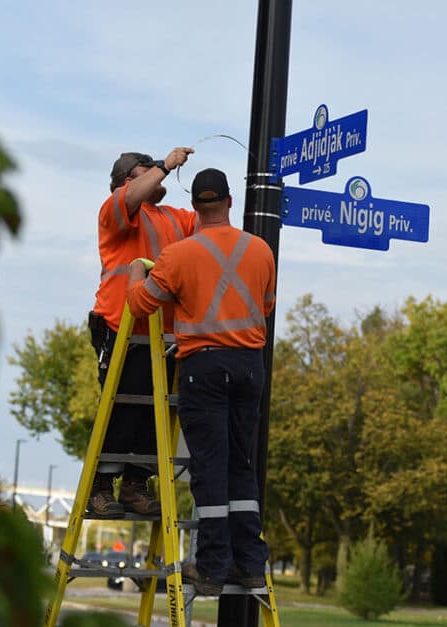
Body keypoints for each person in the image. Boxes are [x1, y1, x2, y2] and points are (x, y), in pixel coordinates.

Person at [126, 168, 275, 594]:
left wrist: (137, 271)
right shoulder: (261, 250)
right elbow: (266, 304)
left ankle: (210, 567)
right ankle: (249, 563)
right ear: (230, 203)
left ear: (194, 207)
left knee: (209, 469)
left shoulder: (177, 255)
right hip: (249, 365)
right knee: (239, 465)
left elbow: (141, 305)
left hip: (204, 368)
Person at [87, 147, 195, 518]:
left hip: (162, 337)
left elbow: (209, 230)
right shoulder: (115, 208)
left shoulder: (174, 218)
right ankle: (100, 487)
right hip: (122, 329)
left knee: (153, 417)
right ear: (127, 179)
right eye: (147, 170)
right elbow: (132, 197)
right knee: (119, 412)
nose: (158, 176)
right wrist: (165, 165)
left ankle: (135, 483)